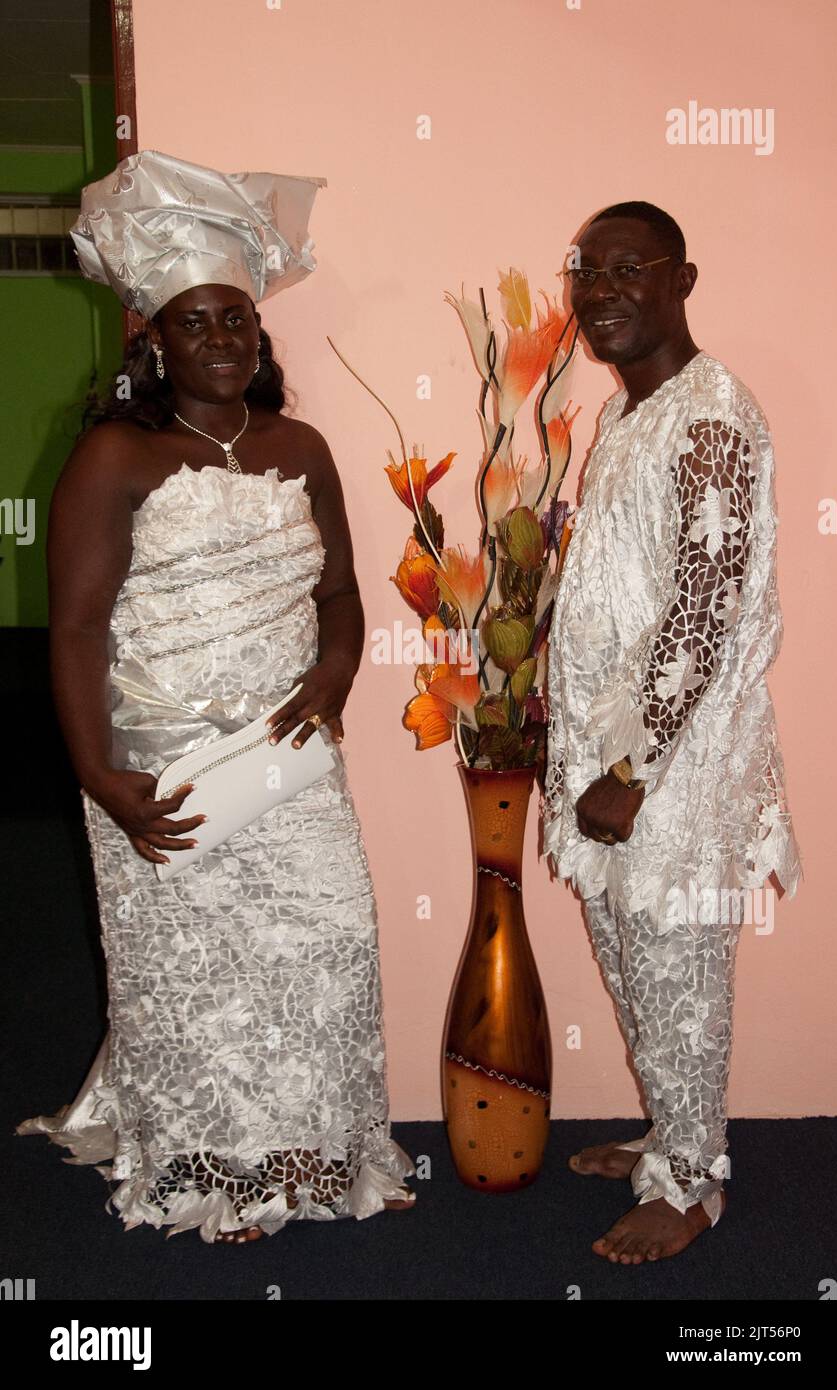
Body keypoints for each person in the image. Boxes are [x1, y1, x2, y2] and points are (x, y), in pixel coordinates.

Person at [17, 150, 415, 1244]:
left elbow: (340, 595)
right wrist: (100, 777)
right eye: (198, 322)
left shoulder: (302, 446)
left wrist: (333, 681)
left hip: (289, 763)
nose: (226, 341)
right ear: (151, 336)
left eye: (238, 319)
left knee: (329, 949)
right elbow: (79, 629)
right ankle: (216, 1169)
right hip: (161, 767)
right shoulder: (114, 456)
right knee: (196, 977)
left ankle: (314, 1148)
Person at [543, 200, 801, 1264]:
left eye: (623, 269)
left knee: (678, 963)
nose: (597, 291)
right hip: (606, 753)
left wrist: (629, 766)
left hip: (668, 765)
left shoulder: (710, 416)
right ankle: (667, 1131)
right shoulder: (625, 418)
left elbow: (705, 605)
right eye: (582, 271)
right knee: (630, 956)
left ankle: (691, 1181)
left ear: (680, 281)